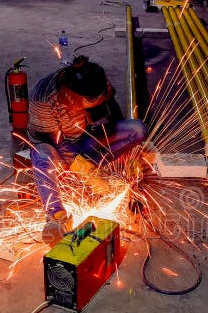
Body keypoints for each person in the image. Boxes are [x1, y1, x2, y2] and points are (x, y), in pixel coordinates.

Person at [28, 55, 146, 243]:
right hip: (59, 149)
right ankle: (57, 217)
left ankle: (105, 174)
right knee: (42, 155)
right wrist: (88, 172)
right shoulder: (42, 97)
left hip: (86, 142)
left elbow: (114, 120)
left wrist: (130, 157)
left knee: (137, 129)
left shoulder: (99, 83)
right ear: (68, 93)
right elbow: (54, 142)